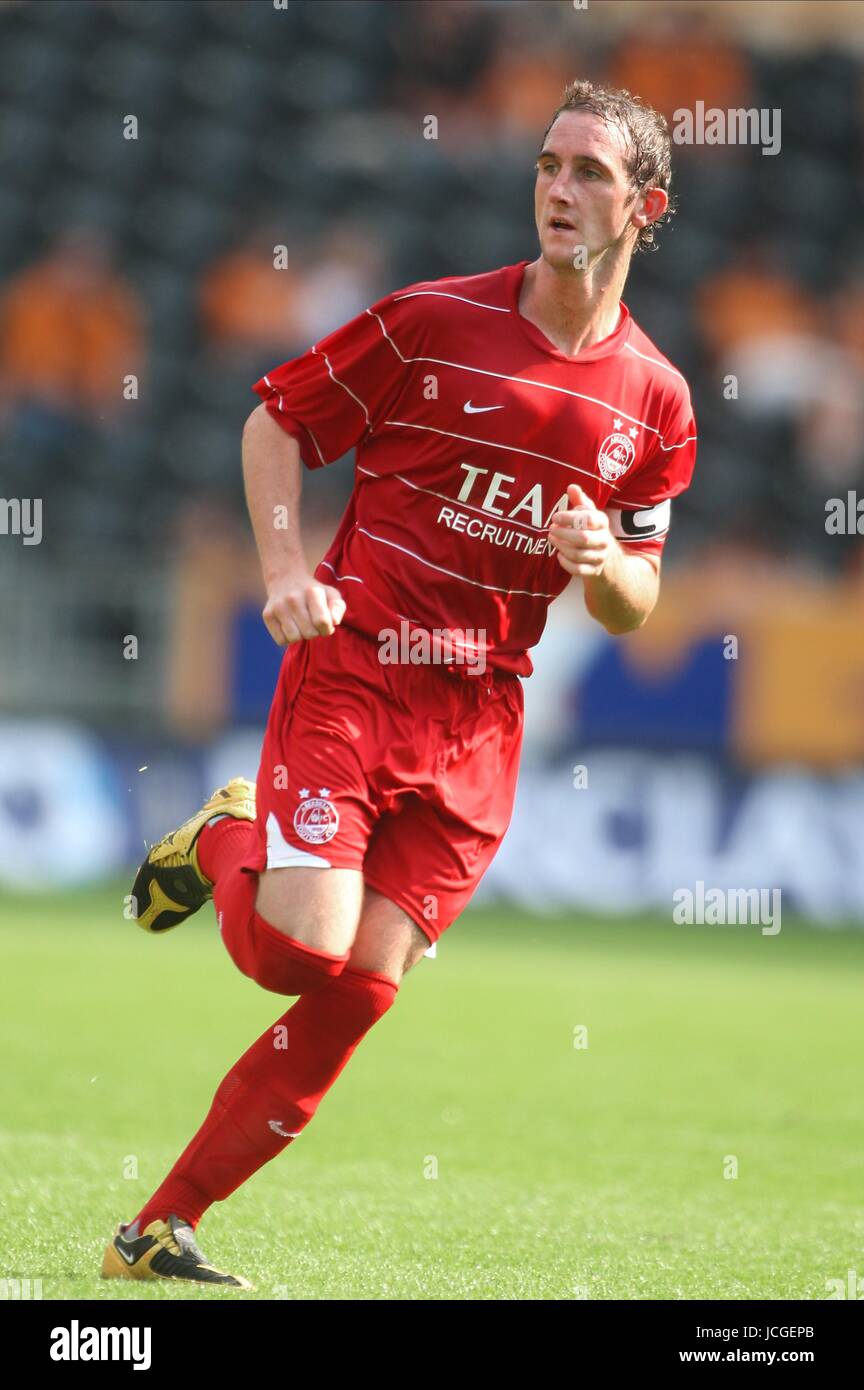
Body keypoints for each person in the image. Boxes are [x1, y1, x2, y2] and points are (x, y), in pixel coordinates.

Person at [102, 79, 697, 1288]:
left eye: (589, 171)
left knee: (360, 991)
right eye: (548, 164)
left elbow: (635, 599)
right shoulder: (432, 322)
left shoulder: (660, 401)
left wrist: (603, 564)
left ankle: (156, 1231)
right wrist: (282, 570)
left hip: (481, 717)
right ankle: (226, 836)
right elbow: (275, 419)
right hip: (358, 671)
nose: (559, 188)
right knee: (297, 957)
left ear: (649, 206)